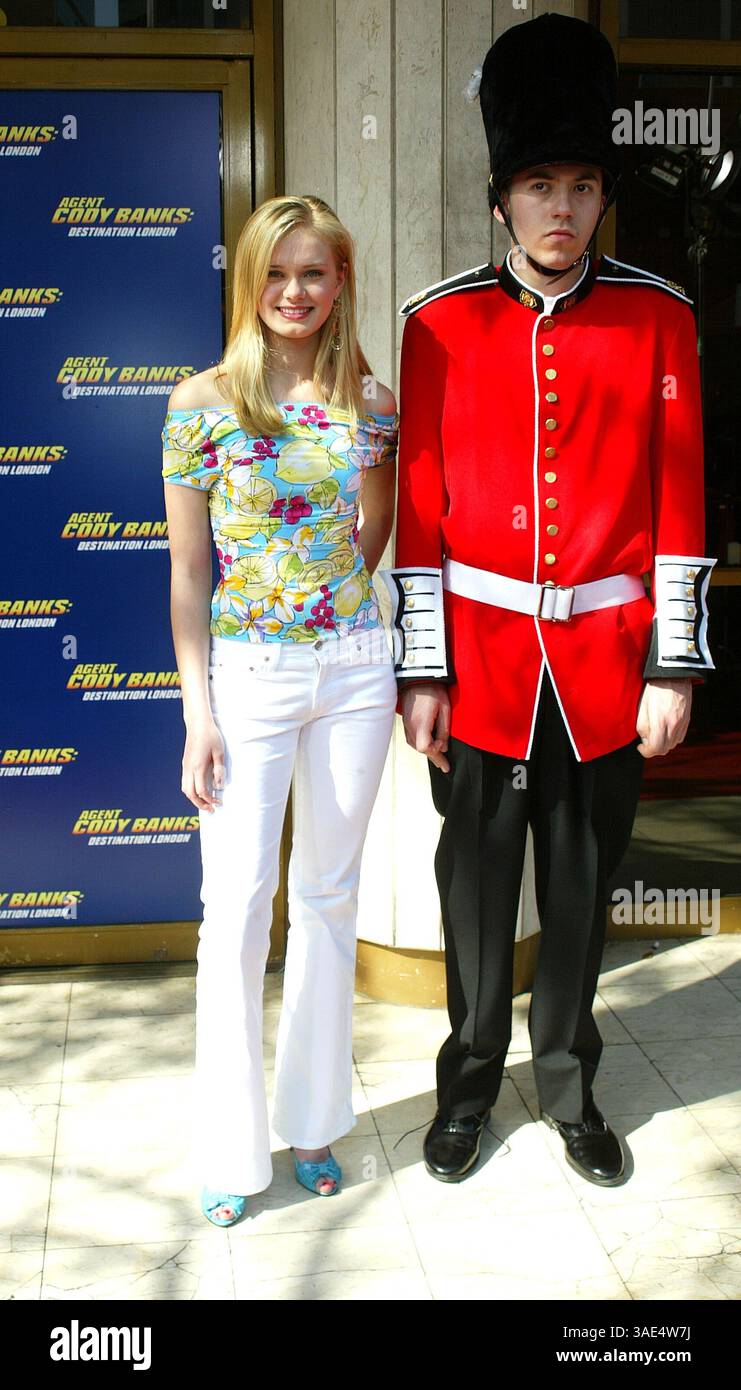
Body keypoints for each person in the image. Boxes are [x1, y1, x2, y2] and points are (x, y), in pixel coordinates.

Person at [381, 13, 716, 1187]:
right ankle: (468, 1084)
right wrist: (419, 671)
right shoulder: (437, 324)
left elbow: (682, 500)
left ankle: (572, 1085)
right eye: (539, 185)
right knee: (475, 901)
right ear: (501, 202)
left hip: (607, 671)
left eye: (581, 185)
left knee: (577, 902)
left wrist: (674, 668)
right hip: (476, 668)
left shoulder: (661, 315)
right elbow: (418, 509)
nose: (562, 208)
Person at [161, 194, 398, 1224]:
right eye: (280, 270)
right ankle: (231, 1150)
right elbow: (184, 575)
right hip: (248, 677)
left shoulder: (371, 400)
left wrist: (336, 617)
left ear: (340, 281)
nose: (297, 291)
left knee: (328, 898)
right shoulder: (200, 402)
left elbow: (372, 531)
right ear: (250, 276)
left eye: (317, 272)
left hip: (352, 671)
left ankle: (313, 1124)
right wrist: (196, 711)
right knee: (236, 912)